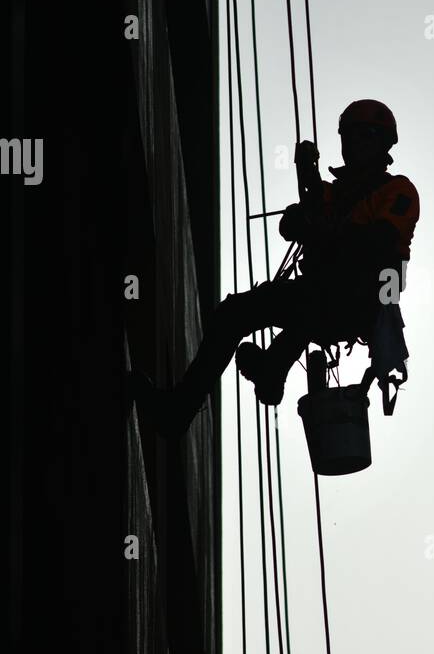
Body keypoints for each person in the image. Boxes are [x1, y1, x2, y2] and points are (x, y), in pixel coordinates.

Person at [131, 99, 419, 438]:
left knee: (317, 294)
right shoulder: (332, 194)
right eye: (350, 137)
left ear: (382, 144)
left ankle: (273, 368)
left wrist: (319, 227)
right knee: (234, 313)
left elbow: (377, 241)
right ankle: (180, 409)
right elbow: (294, 225)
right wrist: (305, 200)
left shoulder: (398, 191)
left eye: (365, 137)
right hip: (317, 296)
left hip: (359, 303)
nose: (355, 145)